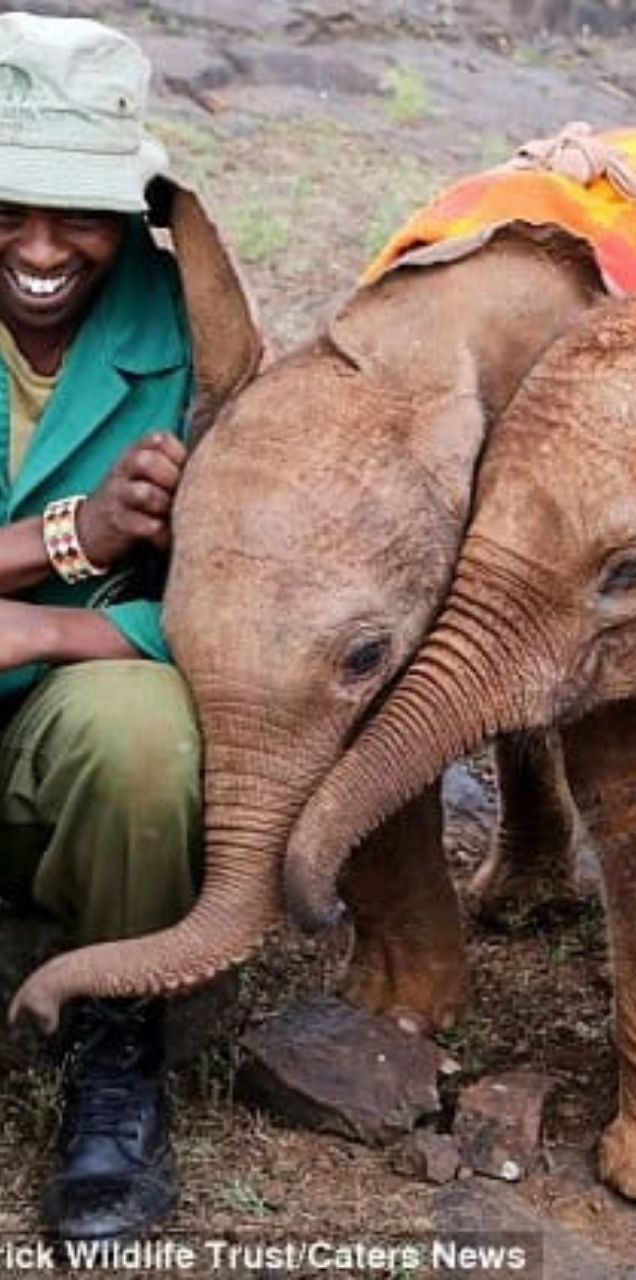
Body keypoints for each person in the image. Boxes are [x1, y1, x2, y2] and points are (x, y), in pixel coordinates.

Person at [0, 12, 206, 1242]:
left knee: (142, 731)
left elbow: (256, 610)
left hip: (56, 759)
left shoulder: (188, 334)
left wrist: (47, 633)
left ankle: (116, 1054)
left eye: (75, 212)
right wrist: (68, 537)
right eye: (6, 204)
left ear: (131, 213)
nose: (37, 247)